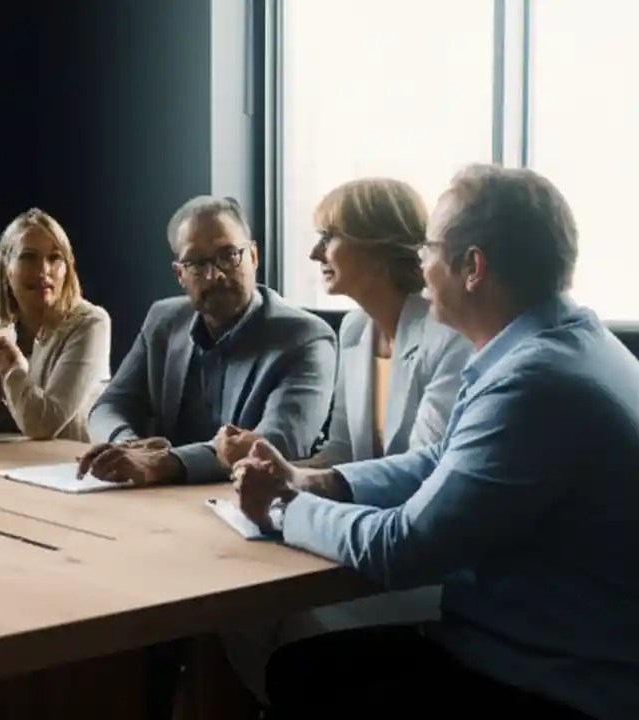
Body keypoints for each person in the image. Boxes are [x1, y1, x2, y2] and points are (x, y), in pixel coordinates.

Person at [232, 165, 639, 719]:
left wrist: (287, 508)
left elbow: (404, 546)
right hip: (541, 650)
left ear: (472, 267)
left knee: (300, 670)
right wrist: (319, 481)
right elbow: (444, 461)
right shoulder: (564, 344)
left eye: (428, 246)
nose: (418, 260)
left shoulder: (533, 380)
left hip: (550, 681)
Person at [220, 178, 473, 702]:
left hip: (420, 566)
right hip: (359, 540)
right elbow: (340, 454)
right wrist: (273, 463)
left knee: (273, 619)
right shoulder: (355, 331)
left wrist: (297, 496)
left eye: (328, 236)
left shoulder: (448, 338)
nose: (315, 252)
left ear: (380, 247)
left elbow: (424, 475)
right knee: (233, 618)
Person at [79, 196, 336, 485]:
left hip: (250, 504)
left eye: (228, 255)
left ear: (253, 256)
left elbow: (280, 442)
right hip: (163, 502)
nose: (215, 276)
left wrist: (165, 462)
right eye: (198, 263)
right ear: (180, 274)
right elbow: (108, 406)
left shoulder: (305, 337)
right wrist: (126, 446)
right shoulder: (164, 320)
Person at [0, 208, 111, 441]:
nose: (43, 271)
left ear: (68, 268)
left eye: (54, 258)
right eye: (28, 257)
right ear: (7, 269)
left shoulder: (90, 323)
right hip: (23, 460)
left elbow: (43, 426)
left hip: (77, 465)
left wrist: (13, 369)